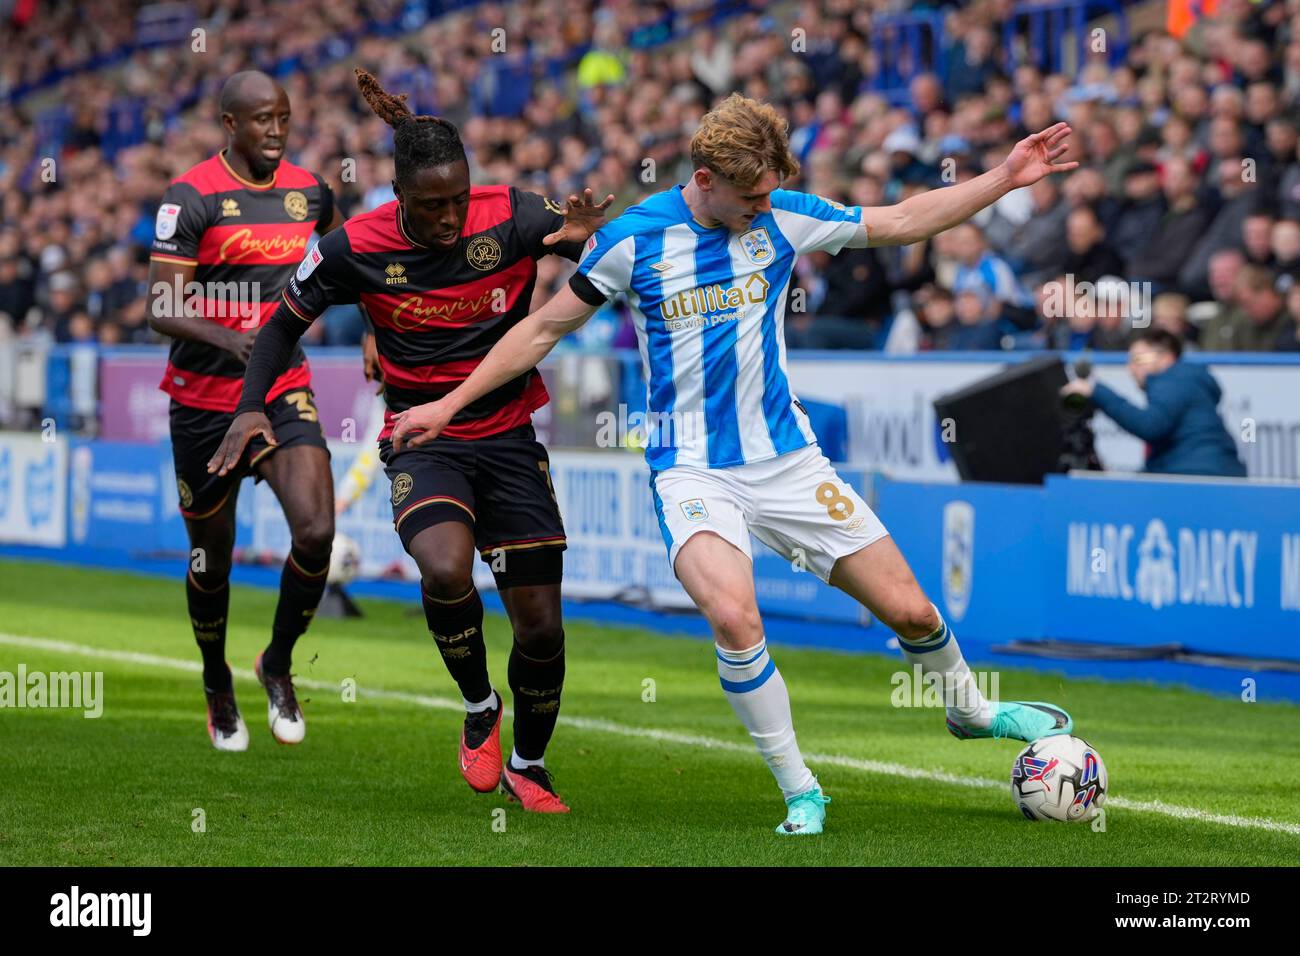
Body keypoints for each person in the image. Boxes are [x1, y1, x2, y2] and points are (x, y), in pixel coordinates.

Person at [390, 95, 1079, 836]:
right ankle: (801, 789)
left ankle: (970, 711)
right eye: (750, 196)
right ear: (705, 177)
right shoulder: (633, 240)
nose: (763, 207)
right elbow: (541, 331)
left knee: (911, 611)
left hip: (788, 462)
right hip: (692, 472)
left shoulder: (783, 214)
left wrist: (1005, 176)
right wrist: (448, 404)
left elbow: (901, 219)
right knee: (735, 617)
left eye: (767, 194)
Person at [209, 71, 611, 812]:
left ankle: (530, 761)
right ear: (396, 193)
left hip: (509, 436)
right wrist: (247, 407)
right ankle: (479, 704)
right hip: (423, 436)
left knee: (542, 625)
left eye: (459, 197)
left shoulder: (516, 215)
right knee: (445, 566)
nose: (451, 216)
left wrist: (588, 243)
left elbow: (609, 260)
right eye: (431, 204)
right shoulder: (349, 247)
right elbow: (278, 328)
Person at [146, 71, 343, 752]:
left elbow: (354, 264)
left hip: (282, 390)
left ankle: (278, 663)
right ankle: (215, 680)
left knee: (316, 531)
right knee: (212, 556)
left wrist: (377, 334)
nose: (277, 131)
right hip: (203, 405)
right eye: (262, 119)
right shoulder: (191, 197)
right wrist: (232, 339)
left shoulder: (312, 193)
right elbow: (160, 307)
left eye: (284, 118)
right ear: (229, 124)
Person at [1060, 328, 1248, 477]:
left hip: (1198, 478)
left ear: (1166, 358)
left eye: (1138, 360)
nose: (1130, 369)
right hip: (1205, 473)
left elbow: (1150, 425)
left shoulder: (1175, 380)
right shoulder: (1186, 380)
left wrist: (1095, 390)